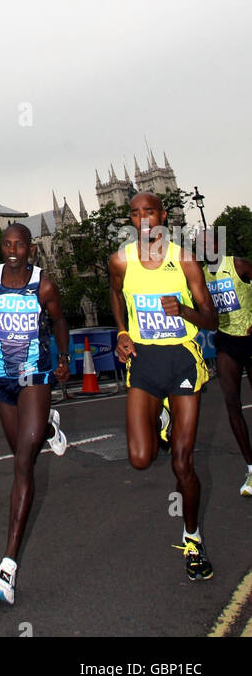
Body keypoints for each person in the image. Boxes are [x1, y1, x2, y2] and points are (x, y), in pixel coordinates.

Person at [108, 193, 217, 581]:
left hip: (182, 359)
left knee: (182, 462)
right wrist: (121, 331)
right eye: (135, 214)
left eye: (148, 211)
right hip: (145, 363)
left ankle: (192, 539)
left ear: (162, 215)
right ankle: (163, 416)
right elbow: (115, 293)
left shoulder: (185, 259)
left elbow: (211, 319)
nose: (142, 219)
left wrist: (183, 311)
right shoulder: (121, 259)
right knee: (139, 458)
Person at [0, 223, 70, 605]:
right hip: (3, 378)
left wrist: (64, 359)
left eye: (19, 245)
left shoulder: (43, 286)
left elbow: (60, 321)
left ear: (31, 249)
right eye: (6, 245)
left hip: (35, 376)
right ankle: (47, 427)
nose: (12, 251)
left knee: (23, 464)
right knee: (20, 450)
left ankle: (8, 566)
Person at [200, 228, 252, 496]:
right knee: (232, 404)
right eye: (201, 244)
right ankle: (251, 468)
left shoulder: (239, 264)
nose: (206, 247)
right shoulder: (203, 275)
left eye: (210, 242)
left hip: (250, 337)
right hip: (227, 342)